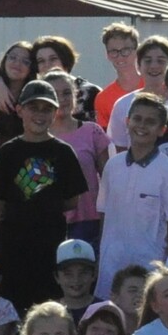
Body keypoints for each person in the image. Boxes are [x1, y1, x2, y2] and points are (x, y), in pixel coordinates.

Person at [0, 77, 91, 310]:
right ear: (20, 110)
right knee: (11, 304)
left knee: (48, 305)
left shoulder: (63, 152)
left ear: (55, 113)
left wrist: (43, 207)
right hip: (11, 245)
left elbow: (73, 199)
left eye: (46, 109)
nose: (40, 114)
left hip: (50, 244)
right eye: (33, 107)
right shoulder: (8, 151)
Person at [96, 95, 168, 297]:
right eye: (137, 119)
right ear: (127, 122)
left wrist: (167, 270)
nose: (142, 126)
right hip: (110, 267)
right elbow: (104, 214)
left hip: (149, 269)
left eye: (150, 122)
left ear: (162, 129)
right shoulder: (112, 166)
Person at [43, 69, 110, 255]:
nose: (62, 99)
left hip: (89, 221)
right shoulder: (38, 136)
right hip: (50, 222)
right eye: (54, 94)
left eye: (66, 93)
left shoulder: (92, 132)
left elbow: (109, 180)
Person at [104, 35, 168, 147]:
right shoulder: (123, 105)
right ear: (138, 66)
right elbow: (118, 147)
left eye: (161, 61)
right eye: (148, 61)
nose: (154, 66)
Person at [92, 22, 143, 131]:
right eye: (114, 51)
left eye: (125, 50)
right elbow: (106, 138)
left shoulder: (154, 86)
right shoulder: (103, 98)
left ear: (137, 51)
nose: (120, 57)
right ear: (107, 55)